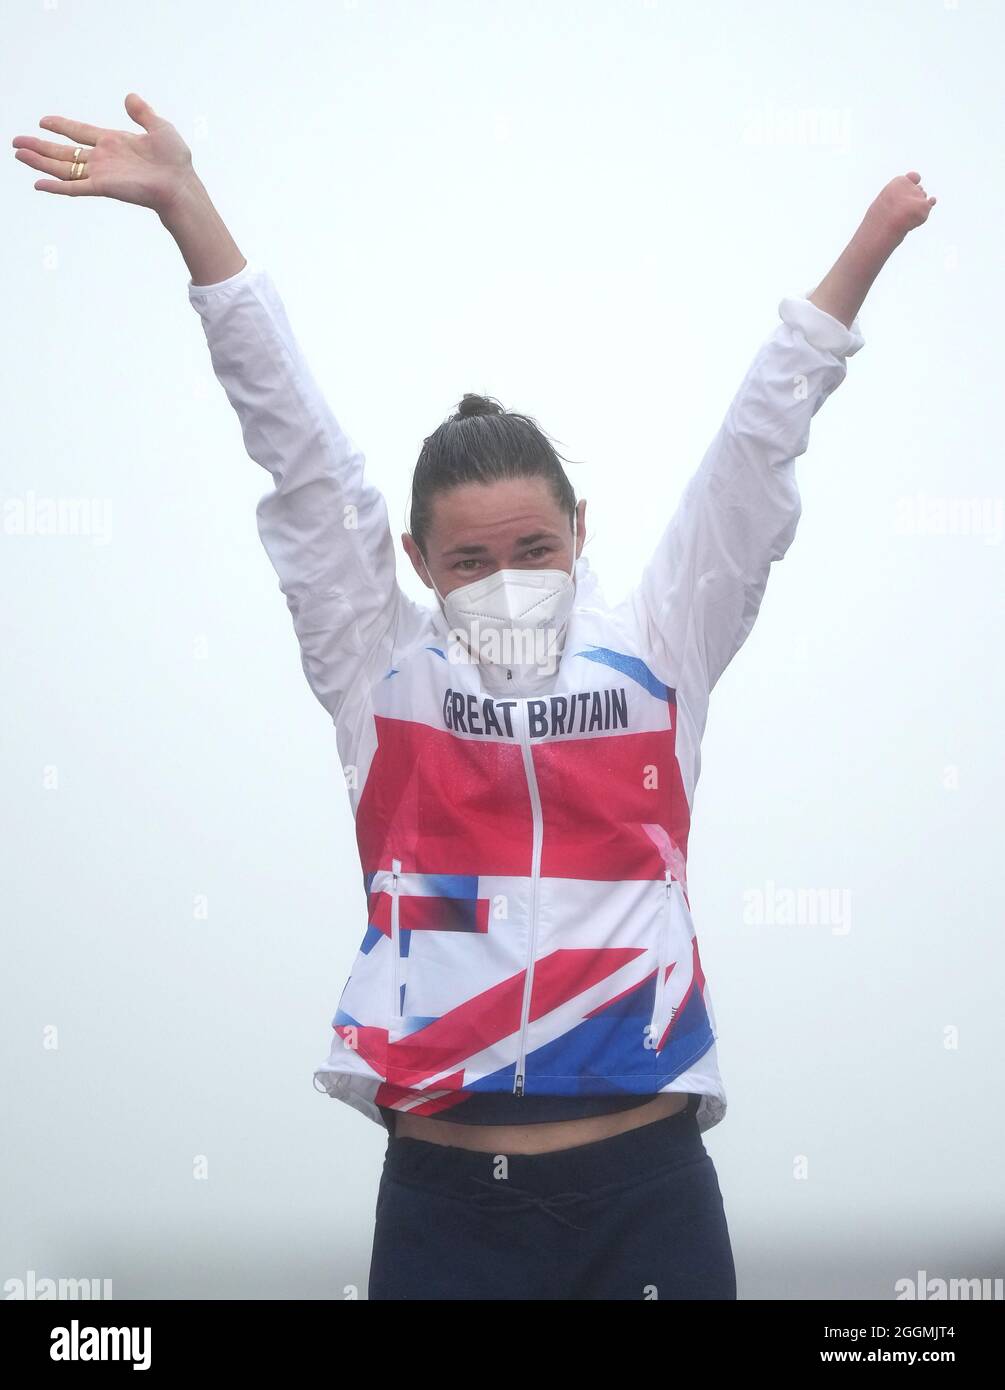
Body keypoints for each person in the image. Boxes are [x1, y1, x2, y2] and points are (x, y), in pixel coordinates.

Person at [13, 94, 936, 1301]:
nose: (508, 582)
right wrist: (191, 212)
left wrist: (863, 253)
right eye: (470, 561)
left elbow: (754, 455)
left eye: (534, 550)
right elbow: (298, 453)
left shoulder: (661, 647)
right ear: (415, 564)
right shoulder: (378, 668)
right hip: (449, 1209)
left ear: (580, 537)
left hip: (649, 1194)